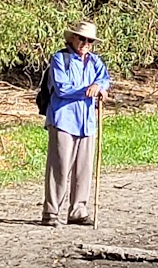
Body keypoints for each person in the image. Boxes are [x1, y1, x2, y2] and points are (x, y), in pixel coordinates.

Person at [42, 21, 110, 227]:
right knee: (59, 167)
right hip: (64, 120)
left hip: (87, 121)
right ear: (72, 38)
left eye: (90, 40)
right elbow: (62, 89)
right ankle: (51, 213)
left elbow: (105, 79)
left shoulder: (95, 61)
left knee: (84, 168)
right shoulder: (60, 59)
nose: (85, 43)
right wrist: (88, 89)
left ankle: (78, 211)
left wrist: (100, 87)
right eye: (82, 38)